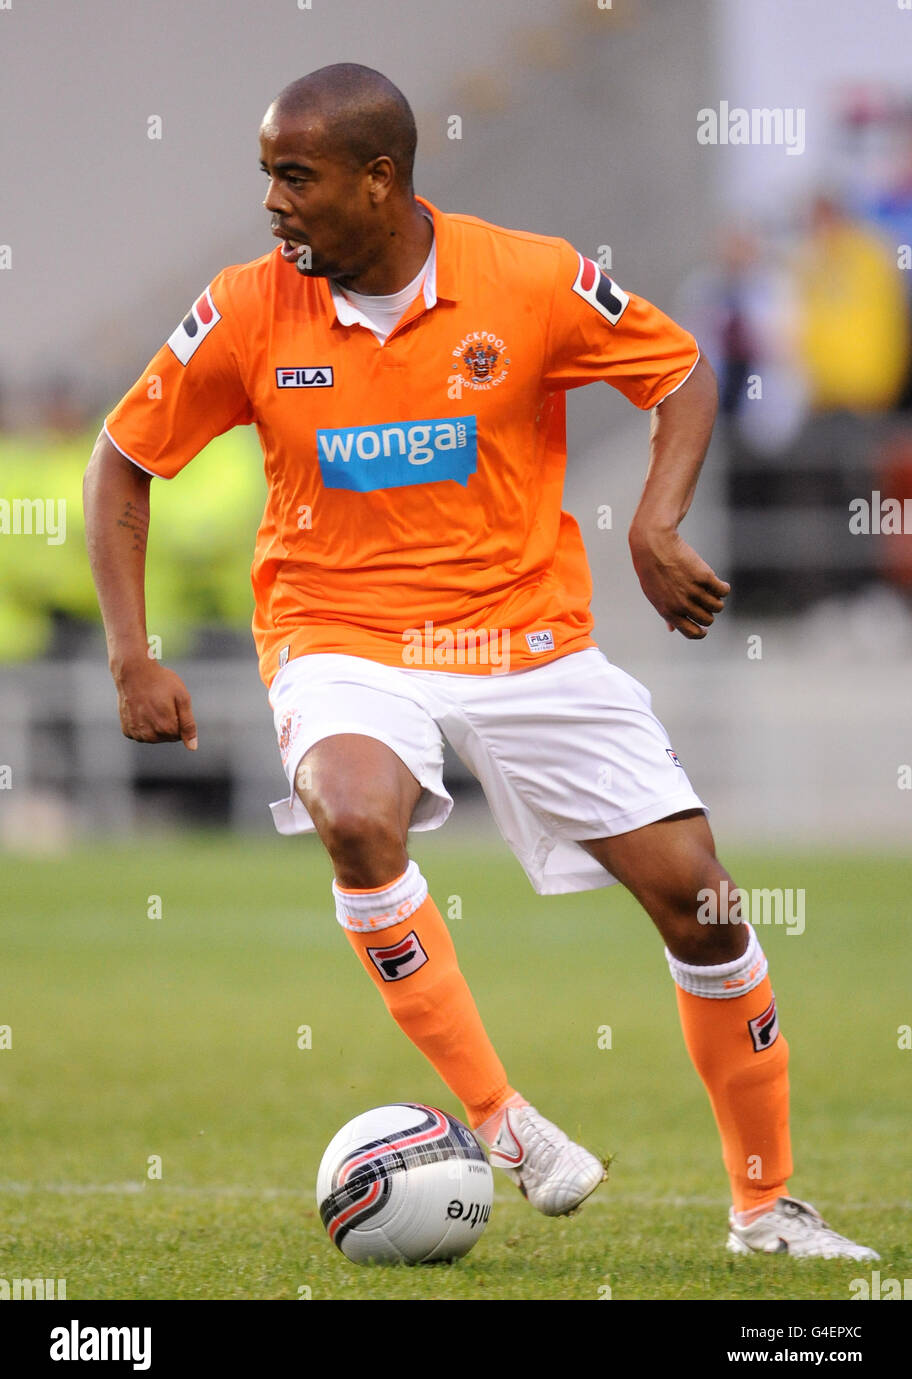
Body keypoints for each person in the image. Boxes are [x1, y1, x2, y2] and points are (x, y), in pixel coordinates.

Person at [84, 63, 877, 1259]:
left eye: (293, 178)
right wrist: (131, 654)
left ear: (379, 177)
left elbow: (680, 375)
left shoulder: (533, 277)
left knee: (706, 905)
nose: (273, 205)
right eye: (266, 178)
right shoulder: (248, 309)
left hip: (524, 639)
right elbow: (121, 460)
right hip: (339, 632)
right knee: (354, 811)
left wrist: (656, 525)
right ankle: (504, 1122)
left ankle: (767, 1209)